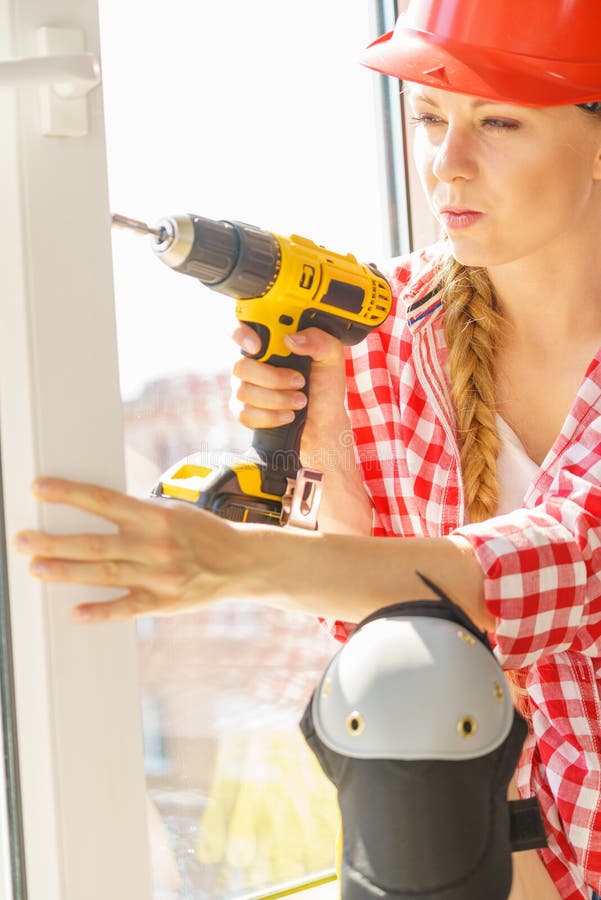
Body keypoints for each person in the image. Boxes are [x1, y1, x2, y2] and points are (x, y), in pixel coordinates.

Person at [12, 0, 601, 897]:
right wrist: (328, 467)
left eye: (501, 122)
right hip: (502, 854)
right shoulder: (387, 325)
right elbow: (389, 621)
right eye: (429, 118)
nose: (448, 165)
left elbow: (559, 566)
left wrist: (240, 562)